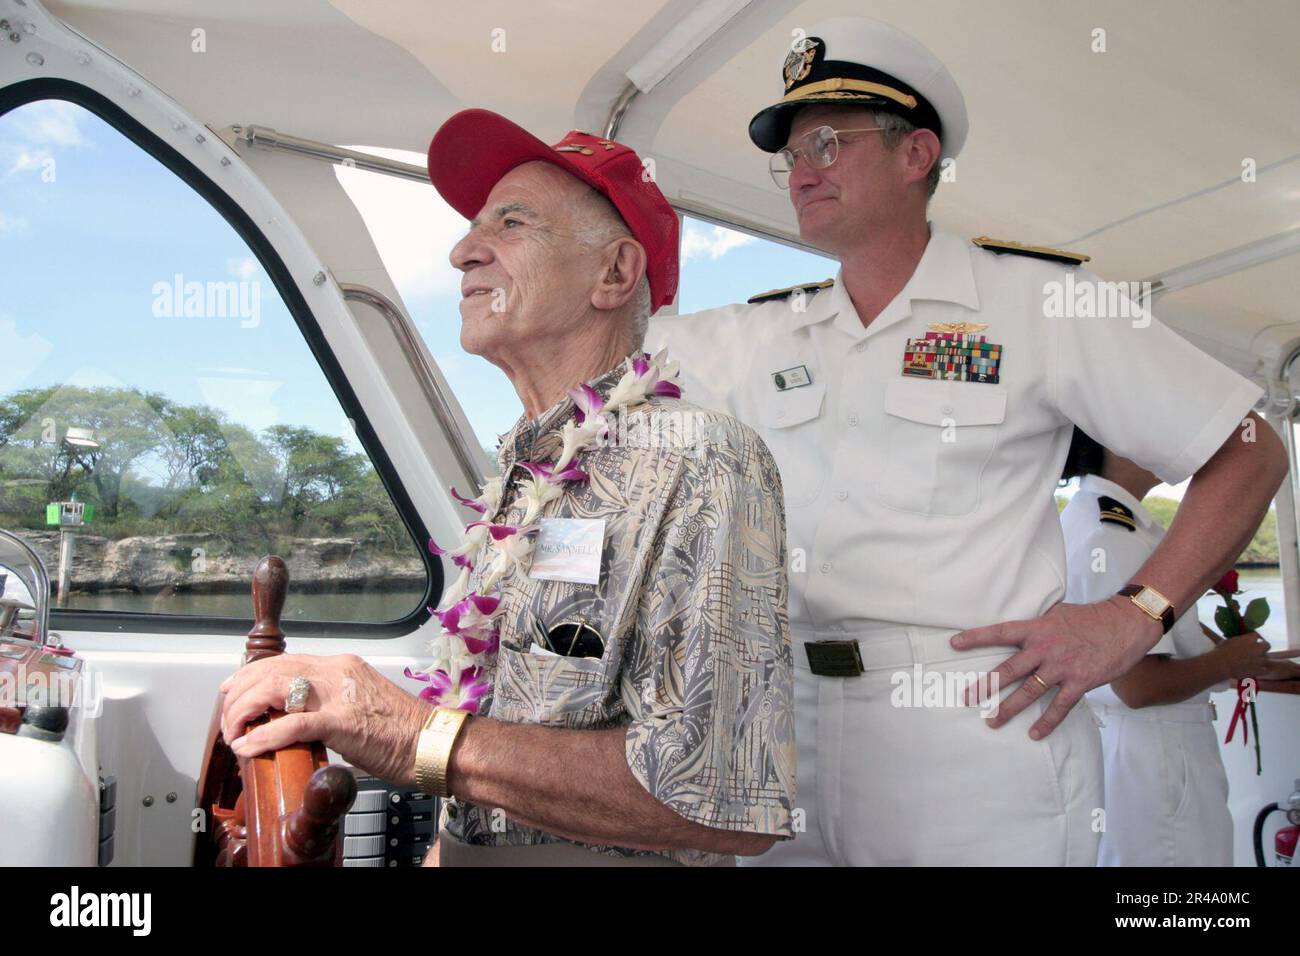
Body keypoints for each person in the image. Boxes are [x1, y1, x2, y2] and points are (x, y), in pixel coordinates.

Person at [650, 15, 1288, 865]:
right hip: (781, 725)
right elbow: (601, 367)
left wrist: (1134, 618)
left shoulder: (1035, 303)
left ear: (916, 154)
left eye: (829, 144)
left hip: (971, 727)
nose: (801, 172)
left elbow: (1249, 447)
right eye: (792, 156)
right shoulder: (765, 334)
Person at [218, 111, 795, 866]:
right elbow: (499, 741)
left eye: (511, 222)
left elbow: (725, 798)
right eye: (473, 227)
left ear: (614, 274)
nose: (462, 251)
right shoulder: (519, 481)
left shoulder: (705, 461)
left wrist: (408, 733)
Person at [1060, 426, 1300, 866]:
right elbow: (1138, 687)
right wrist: (1229, 659)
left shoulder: (1095, 519)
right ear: (1118, 440)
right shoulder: (1115, 536)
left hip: (1127, 751)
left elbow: (1157, 645)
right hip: (1158, 756)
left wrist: (1251, 666)